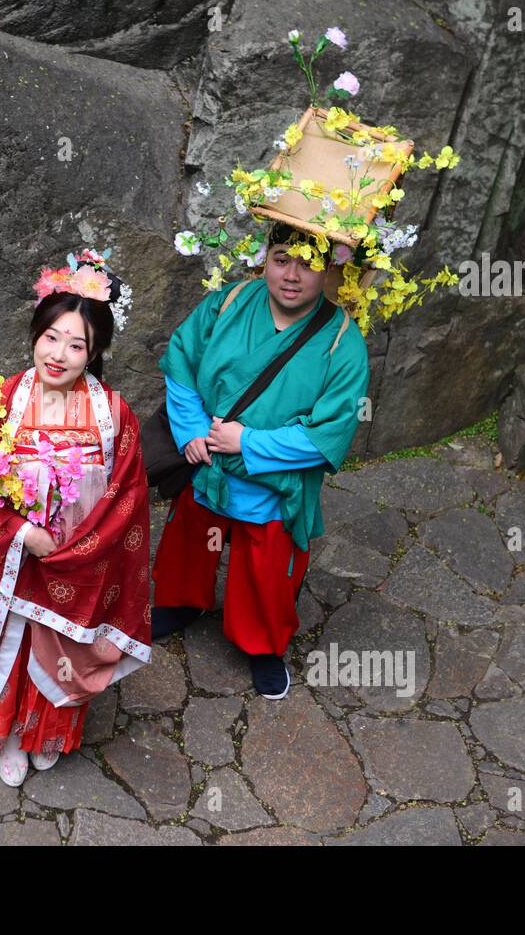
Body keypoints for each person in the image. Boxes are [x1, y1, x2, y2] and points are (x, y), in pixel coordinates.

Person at [0, 249, 151, 786]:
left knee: (61, 644)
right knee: (12, 642)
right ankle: (9, 732)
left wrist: (80, 549)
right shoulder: (2, 402)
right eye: (51, 337)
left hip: (79, 558)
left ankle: (48, 732)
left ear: (97, 351)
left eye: (77, 343)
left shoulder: (114, 415)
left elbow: (126, 498)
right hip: (15, 554)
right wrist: (19, 533)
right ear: (35, 334)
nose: (59, 354)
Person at [150, 221, 370, 698]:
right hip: (207, 461)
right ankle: (182, 602)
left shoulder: (342, 343)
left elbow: (330, 432)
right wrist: (189, 429)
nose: (292, 275)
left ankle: (263, 644)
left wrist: (247, 443)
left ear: (329, 269)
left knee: (267, 569)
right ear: (264, 260)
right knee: (192, 540)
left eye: (308, 264)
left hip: (273, 483)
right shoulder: (227, 303)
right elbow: (182, 361)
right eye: (281, 259)